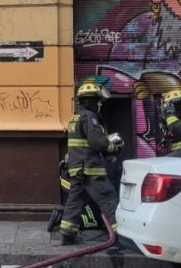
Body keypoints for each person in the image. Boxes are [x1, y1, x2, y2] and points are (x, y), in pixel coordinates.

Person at [59, 81, 122, 246]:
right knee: (108, 198)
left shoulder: (74, 118)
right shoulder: (89, 117)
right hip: (90, 169)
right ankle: (121, 233)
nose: (99, 105)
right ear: (92, 101)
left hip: (77, 169)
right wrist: (112, 147)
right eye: (97, 101)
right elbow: (97, 142)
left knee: (75, 201)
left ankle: (67, 233)